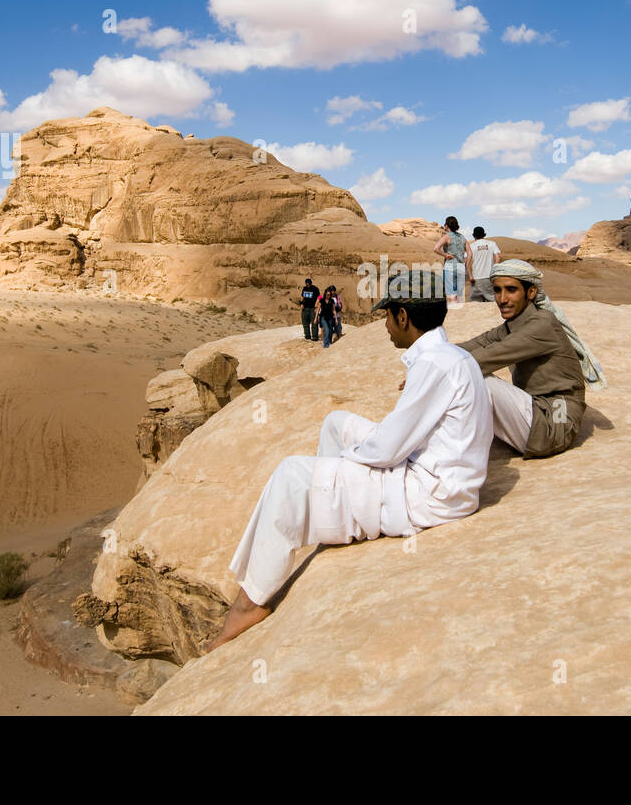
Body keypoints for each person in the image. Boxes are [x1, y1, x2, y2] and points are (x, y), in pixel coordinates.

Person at [206, 274, 493, 652]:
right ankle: (330, 513)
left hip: (431, 493)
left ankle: (250, 603)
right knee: (337, 424)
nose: (385, 326)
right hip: (436, 471)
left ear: (403, 316)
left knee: (292, 474)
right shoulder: (450, 356)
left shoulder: (435, 365)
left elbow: (388, 449)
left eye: (387, 316)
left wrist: (346, 464)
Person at [460, 260, 607, 459]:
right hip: (534, 410)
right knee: (461, 369)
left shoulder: (541, 325)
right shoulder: (513, 325)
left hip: (553, 425)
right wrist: (430, 356)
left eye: (511, 290)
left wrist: (436, 369)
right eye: (497, 290)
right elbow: (472, 345)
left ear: (530, 293)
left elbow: (482, 357)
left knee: (474, 377)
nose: (502, 299)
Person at [433, 216, 468, 306]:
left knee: (451, 293)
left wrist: (446, 255)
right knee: (460, 293)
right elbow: (470, 253)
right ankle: (460, 313)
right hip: (461, 267)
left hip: (450, 266)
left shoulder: (447, 236)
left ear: (447, 225)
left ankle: (453, 313)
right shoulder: (462, 237)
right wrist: (466, 265)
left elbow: (436, 248)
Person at [466, 226, 501, 302]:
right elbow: (498, 257)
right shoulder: (492, 244)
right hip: (489, 278)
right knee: (492, 302)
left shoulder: (471, 246)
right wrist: (494, 272)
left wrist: (470, 276)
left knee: (475, 304)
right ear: (484, 235)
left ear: (473, 235)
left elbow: (467, 263)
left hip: (476, 279)